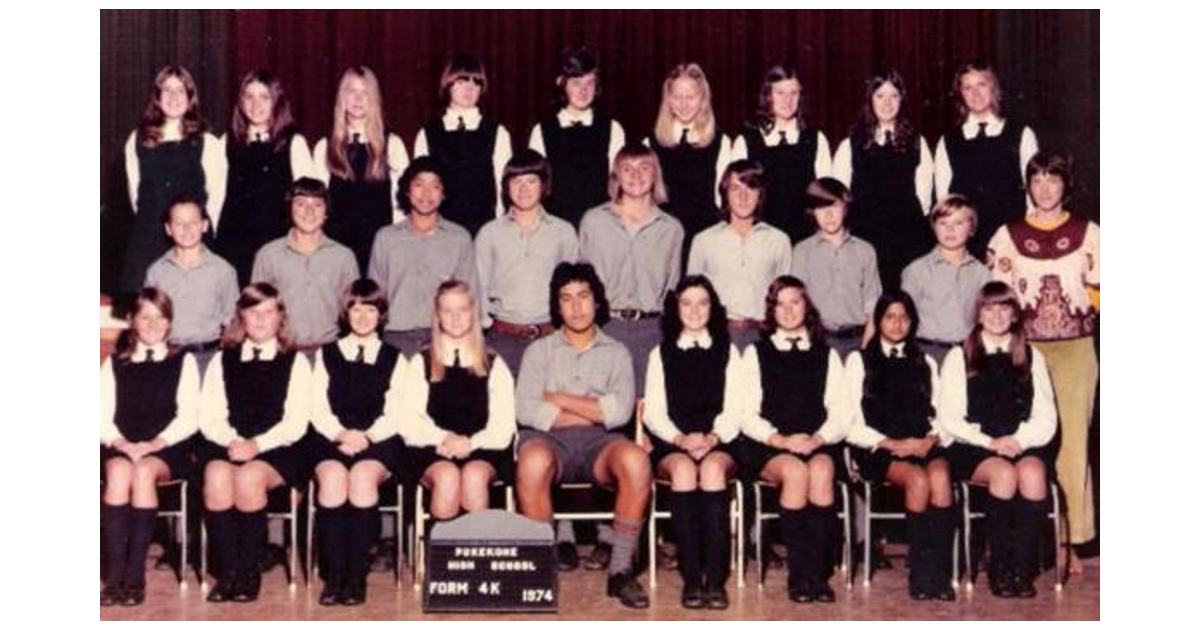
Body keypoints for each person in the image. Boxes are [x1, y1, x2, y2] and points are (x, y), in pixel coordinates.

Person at [987, 150, 1098, 574]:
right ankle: (1024, 539)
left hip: (1074, 349)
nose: (1045, 188)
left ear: (1066, 184)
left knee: (1072, 444)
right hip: (1023, 350)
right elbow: (995, 298)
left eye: (1054, 179)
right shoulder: (1007, 234)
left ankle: (1072, 539)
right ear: (1028, 186)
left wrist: (1081, 311)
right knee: (1023, 440)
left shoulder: (1089, 233)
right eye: (1038, 180)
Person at [514, 262, 649, 608]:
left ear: (597, 302)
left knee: (635, 459)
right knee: (531, 461)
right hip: (549, 443)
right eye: (567, 299)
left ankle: (620, 571)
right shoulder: (538, 351)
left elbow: (619, 413)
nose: (576, 307)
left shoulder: (617, 352)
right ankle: (539, 572)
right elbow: (526, 409)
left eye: (584, 297)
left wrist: (557, 398)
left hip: (600, 445)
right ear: (557, 307)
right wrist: (594, 409)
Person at [939, 281, 1058, 598]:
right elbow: (949, 418)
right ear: (979, 314)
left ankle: (1022, 568)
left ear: (1015, 315)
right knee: (1004, 474)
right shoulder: (958, 355)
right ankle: (999, 565)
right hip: (975, 446)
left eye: (1004, 307)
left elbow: (1046, 417)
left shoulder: (1033, 356)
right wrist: (991, 443)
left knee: (1032, 473)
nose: (997, 315)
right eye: (989, 308)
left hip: (1021, 442)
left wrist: (1018, 440)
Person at [198, 283, 312, 603]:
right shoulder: (223, 360)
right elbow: (210, 416)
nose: (260, 320)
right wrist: (233, 442)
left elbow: (295, 423)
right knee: (217, 475)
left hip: (279, 448)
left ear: (280, 318)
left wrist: (257, 446)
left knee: (248, 477)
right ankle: (229, 571)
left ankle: (249, 570)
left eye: (268, 312)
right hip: (229, 442)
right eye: (252, 312)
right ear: (241, 317)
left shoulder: (296, 362)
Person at [739, 276, 848, 603]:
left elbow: (841, 413)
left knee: (821, 470)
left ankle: (819, 573)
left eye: (795, 302)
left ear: (807, 306)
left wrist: (818, 438)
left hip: (815, 442)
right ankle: (799, 575)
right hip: (771, 446)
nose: (788, 311)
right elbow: (746, 415)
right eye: (780, 304)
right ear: (771, 310)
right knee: (796, 473)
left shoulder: (826, 355)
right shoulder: (756, 353)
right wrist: (782, 441)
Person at [845, 291, 955, 601]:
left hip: (922, 443)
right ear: (878, 321)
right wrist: (892, 444)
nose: (896, 324)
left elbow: (942, 414)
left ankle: (940, 573)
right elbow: (850, 423)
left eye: (903, 317)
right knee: (918, 480)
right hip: (878, 448)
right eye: (889, 317)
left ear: (912, 322)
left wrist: (929, 441)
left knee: (941, 478)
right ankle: (920, 574)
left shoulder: (926, 361)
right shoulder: (860, 360)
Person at [643, 275, 742, 609]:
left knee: (713, 472)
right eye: (686, 303)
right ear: (676, 308)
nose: (695, 310)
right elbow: (654, 412)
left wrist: (713, 437)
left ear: (713, 308)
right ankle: (691, 577)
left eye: (702, 302)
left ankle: (715, 580)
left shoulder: (730, 351)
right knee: (685, 473)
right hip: (675, 441)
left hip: (719, 440)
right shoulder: (661, 353)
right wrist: (680, 439)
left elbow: (736, 408)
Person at [306, 279, 406, 606]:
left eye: (371, 309)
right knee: (334, 479)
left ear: (382, 314)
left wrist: (367, 437)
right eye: (355, 308)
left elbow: (398, 412)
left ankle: (356, 576)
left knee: (362, 479)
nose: (363, 316)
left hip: (378, 440)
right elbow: (317, 407)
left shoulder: (395, 358)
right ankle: (334, 577)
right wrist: (339, 434)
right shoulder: (327, 355)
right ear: (345, 313)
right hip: (331, 438)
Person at [100, 288, 200, 606]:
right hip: (123, 444)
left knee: (143, 473)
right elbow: (100, 413)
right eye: (145, 316)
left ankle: (134, 574)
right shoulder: (115, 363)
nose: (152, 324)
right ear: (132, 321)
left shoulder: (182, 360)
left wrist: (154, 444)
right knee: (117, 471)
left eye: (160, 317)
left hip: (165, 448)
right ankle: (114, 576)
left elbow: (189, 416)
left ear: (169, 323)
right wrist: (120, 443)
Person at [399, 280, 517, 520]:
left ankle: (475, 556)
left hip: (483, 448)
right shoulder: (420, 361)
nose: (455, 318)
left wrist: (469, 444)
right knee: (448, 477)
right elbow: (410, 423)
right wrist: (444, 438)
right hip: (433, 447)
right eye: (447, 311)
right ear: (437, 315)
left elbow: (503, 428)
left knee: (473, 477)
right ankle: (440, 556)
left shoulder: (493, 363)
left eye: (462, 310)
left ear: (473, 313)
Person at [579, 144, 684, 394]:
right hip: (605, 327)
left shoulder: (671, 228)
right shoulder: (593, 221)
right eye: (627, 168)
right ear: (616, 176)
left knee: (649, 410)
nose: (636, 175)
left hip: (652, 331)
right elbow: (581, 284)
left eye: (644, 167)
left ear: (655, 174)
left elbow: (672, 287)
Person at [121, 65, 225, 294]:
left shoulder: (208, 142)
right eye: (167, 90)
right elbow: (135, 195)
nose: (174, 97)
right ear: (157, 97)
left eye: (180, 90)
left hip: (191, 244)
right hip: (148, 242)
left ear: (190, 97)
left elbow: (216, 199)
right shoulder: (136, 140)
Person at [475, 149, 578, 372]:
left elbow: (573, 289)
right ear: (506, 187)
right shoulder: (489, 233)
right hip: (502, 338)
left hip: (551, 338)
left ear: (544, 185)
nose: (523, 189)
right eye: (516, 181)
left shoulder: (564, 232)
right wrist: (485, 330)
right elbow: (479, 285)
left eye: (531, 181)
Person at [832, 70, 934, 289]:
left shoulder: (918, 143)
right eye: (880, 96)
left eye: (894, 96)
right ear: (870, 100)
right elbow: (839, 199)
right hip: (865, 236)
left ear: (902, 100)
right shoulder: (849, 145)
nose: (887, 103)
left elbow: (924, 199)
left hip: (907, 238)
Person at [369, 157, 479, 357]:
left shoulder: (459, 237)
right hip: (395, 338)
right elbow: (375, 298)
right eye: (419, 185)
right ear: (407, 190)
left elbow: (470, 295)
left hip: (443, 337)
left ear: (443, 193)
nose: (427, 193)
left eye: (435, 186)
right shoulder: (385, 238)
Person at [214, 69, 314, 287]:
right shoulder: (226, 142)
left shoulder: (293, 143)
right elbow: (216, 199)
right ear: (240, 102)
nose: (256, 104)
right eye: (249, 96)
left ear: (276, 101)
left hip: (278, 243)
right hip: (234, 244)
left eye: (264, 97)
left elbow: (310, 201)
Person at [934, 59, 1039, 259]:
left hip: (1012, 236)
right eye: (968, 88)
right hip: (968, 242)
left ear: (993, 88)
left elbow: (1033, 191)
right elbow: (943, 200)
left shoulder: (1021, 133)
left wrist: (1028, 233)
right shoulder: (948, 141)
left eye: (981, 85)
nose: (975, 93)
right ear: (960, 94)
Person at [312, 66, 410, 275]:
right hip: (337, 249)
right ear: (342, 98)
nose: (358, 98)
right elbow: (317, 206)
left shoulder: (392, 144)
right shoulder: (325, 146)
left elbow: (401, 205)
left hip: (379, 247)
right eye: (351, 91)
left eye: (365, 92)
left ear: (374, 99)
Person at [687, 159, 792, 349]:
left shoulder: (779, 240)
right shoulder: (703, 240)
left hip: (763, 335)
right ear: (725, 193)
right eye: (735, 189)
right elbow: (691, 298)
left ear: (760, 195)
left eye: (751, 188)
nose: (743, 196)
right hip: (717, 335)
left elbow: (785, 299)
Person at [251, 178, 358, 352]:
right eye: (300, 204)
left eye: (317, 204)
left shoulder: (344, 256)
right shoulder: (268, 254)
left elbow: (353, 310)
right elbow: (257, 310)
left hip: (331, 350)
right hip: (282, 351)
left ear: (326, 212)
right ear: (290, 209)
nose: (309, 211)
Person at [413, 53, 513, 236]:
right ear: (448, 85)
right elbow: (420, 189)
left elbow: (503, 185)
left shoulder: (498, 132)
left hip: (484, 228)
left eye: (476, 83)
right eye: (461, 82)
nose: (469, 89)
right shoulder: (427, 133)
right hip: (440, 231)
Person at [731, 64, 832, 245]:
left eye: (794, 93)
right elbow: (735, 197)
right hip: (760, 241)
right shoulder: (746, 141)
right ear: (768, 96)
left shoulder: (816, 139)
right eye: (780, 93)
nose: (788, 100)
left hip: (806, 241)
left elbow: (825, 199)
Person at [528, 44, 626, 228]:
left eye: (590, 83)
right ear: (562, 84)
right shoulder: (541, 131)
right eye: (576, 83)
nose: (584, 90)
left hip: (601, 226)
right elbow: (537, 188)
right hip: (555, 227)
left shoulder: (613, 128)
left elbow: (618, 186)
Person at [646, 62, 734, 256]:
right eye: (677, 97)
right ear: (668, 99)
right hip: (663, 241)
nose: (683, 104)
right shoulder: (650, 143)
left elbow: (724, 202)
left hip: (706, 240)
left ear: (703, 98)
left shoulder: (721, 142)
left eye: (691, 97)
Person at [144, 196, 238, 372]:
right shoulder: (156, 271)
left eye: (193, 222)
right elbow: (148, 318)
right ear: (168, 229)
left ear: (205, 225)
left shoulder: (223, 270)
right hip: (168, 356)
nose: (186, 229)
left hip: (209, 357)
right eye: (179, 223)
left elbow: (232, 320)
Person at [790, 177, 882, 357]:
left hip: (857, 340)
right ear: (812, 212)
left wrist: (865, 347)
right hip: (817, 341)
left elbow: (873, 305)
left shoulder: (865, 250)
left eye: (835, 207)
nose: (829, 215)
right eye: (822, 208)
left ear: (846, 208)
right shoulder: (802, 251)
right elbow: (796, 302)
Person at [900, 194, 990, 364]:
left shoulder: (982, 274)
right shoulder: (916, 271)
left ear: (971, 228)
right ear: (934, 227)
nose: (950, 230)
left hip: (967, 354)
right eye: (943, 223)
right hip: (925, 353)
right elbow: (904, 319)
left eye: (958, 223)